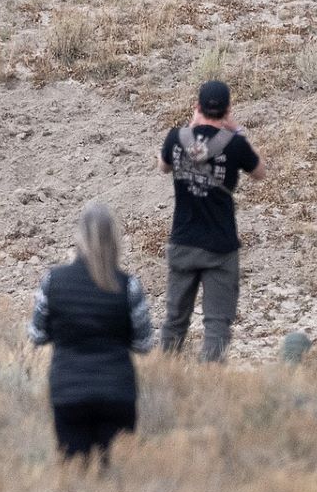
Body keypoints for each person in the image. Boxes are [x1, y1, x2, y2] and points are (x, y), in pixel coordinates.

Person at [27, 201, 156, 465]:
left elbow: (37, 334)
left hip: (68, 393)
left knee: (76, 473)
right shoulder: (129, 286)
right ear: (115, 239)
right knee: (114, 474)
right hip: (117, 393)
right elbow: (144, 343)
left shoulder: (53, 281)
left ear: (79, 237)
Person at [159, 79, 262, 362]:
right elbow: (260, 172)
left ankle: (162, 373)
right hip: (220, 247)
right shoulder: (235, 144)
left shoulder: (176, 138)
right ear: (227, 110)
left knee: (174, 320)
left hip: (183, 242)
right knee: (217, 325)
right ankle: (210, 378)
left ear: (197, 106)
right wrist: (236, 129)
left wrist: (191, 127)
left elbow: (163, 166)